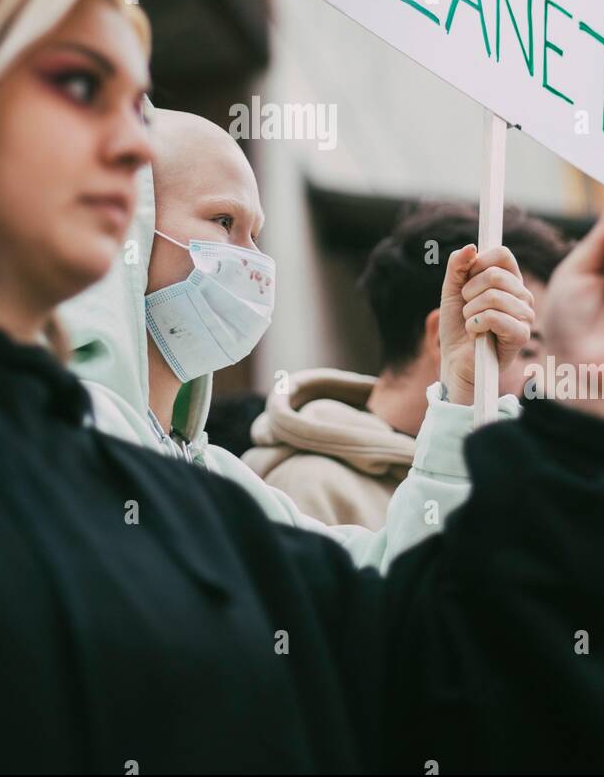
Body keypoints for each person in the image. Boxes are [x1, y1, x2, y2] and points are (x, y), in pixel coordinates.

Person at [0, 0, 604, 774]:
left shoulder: (205, 494)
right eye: (82, 88)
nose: (129, 148)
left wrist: (568, 418)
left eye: (136, 109)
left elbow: (417, 661)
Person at [64, 110, 536, 570]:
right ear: (130, 227)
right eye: (224, 221)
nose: (253, 261)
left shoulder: (229, 488)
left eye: (256, 235)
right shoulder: (55, 433)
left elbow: (393, 598)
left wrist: (464, 396)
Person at [243, 202, 567, 526]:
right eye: (525, 350)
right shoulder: (308, 490)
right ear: (445, 338)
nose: (541, 380)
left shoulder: (508, 486)